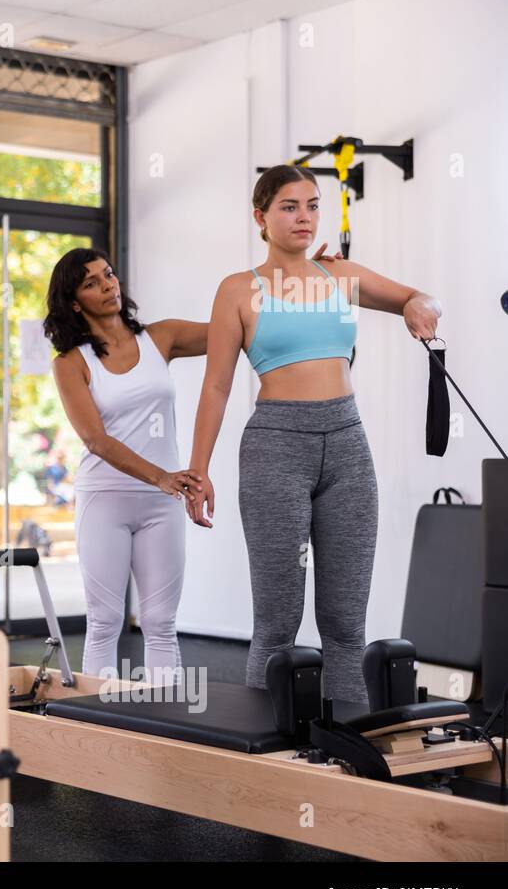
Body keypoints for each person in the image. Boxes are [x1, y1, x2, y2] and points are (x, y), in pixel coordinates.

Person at [186, 164, 441, 702]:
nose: (304, 217)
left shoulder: (339, 275)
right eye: (288, 207)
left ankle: (344, 757)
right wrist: (199, 468)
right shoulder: (237, 290)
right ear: (261, 216)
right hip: (276, 446)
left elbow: (417, 297)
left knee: (347, 623)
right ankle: (267, 761)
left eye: (312, 205)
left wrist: (420, 307)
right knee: (278, 621)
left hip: (348, 442)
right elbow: (215, 387)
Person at [48, 248, 207, 684]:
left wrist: (297, 276)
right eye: (92, 282)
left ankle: (165, 735)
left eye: (109, 275)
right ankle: (95, 732)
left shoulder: (162, 337)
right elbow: (95, 438)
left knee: (160, 622)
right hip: (106, 500)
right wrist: (161, 476)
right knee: (104, 620)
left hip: (162, 504)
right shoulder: (71, 364)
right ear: (74, 302)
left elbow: (237, 329)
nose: (108, 285)